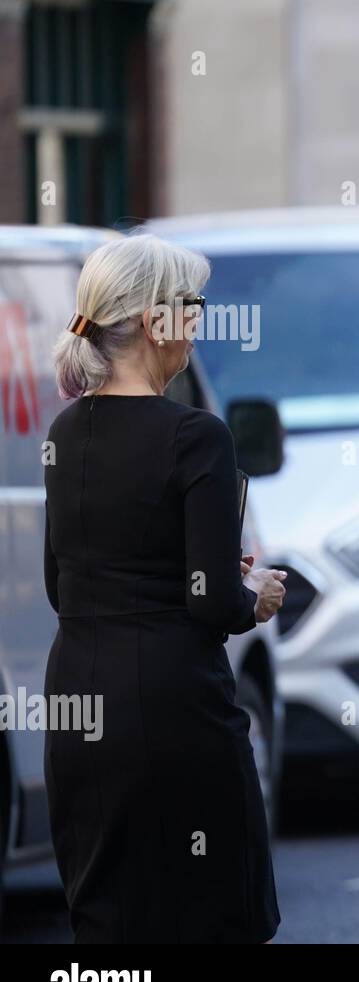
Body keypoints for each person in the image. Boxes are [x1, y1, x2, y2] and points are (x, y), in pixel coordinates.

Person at [43, 234, 285, 943]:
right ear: (156, 323)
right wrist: (258, 596)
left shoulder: (65, 432)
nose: (200, 323)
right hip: (174, 709)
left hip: (79, 704)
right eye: (194, 307)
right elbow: (212, 601)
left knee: (109, 928)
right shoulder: (196, 437)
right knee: (210, 916)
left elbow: (67, 583)